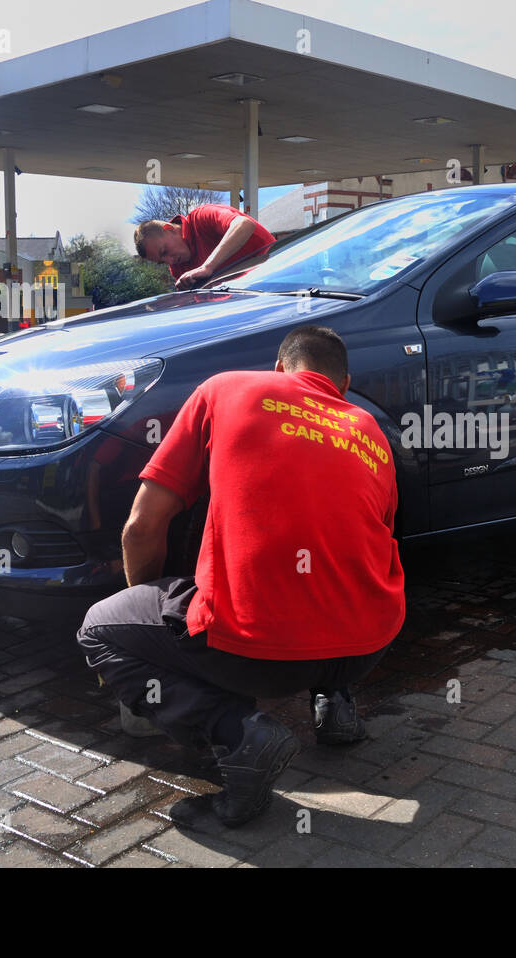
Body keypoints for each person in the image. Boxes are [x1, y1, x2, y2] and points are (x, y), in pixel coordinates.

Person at [76, 325, 405, 826]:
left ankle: (239, 735)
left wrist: (150, 615)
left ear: (279, 368)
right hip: (368, 647)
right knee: (336, 562)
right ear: (342, 383)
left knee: (101, 628)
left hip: (257, 660)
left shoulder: (224, 387)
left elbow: (141, 529)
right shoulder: (368, 428)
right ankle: (336, 709)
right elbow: (363, 545)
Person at [134, 203, 276, 290]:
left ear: (168, 228)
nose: (170, 262)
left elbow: (244, 224)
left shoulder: (202, 217)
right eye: (162, 262)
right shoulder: (179, 269)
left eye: (164, 251)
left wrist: (208, 267)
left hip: (281, 281)